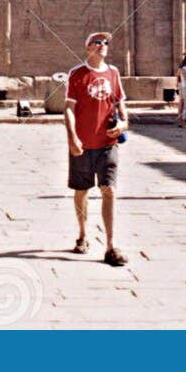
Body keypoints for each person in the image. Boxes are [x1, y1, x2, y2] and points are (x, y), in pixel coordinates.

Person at [63, 32, 129, 266]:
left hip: (107, 143)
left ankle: (110, 245)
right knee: (81, 190)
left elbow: (121, 104)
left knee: (108, 189)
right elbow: (69, 108)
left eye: (106, 43)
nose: (103, 45)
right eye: (98, 42)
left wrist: (123, 123)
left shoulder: (113, 73)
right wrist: (72, 136)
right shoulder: (77, 74)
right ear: (87, 47)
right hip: (82, 143)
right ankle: (83, 234)